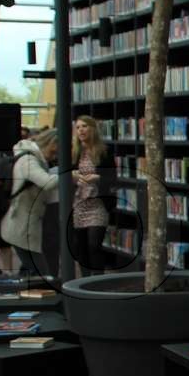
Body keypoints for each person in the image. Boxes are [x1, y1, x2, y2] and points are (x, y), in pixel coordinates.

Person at [2, 129, 59, 278]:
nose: (54, 156)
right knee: (39, 272)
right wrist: (69, 176)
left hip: (27, 225)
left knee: (31, 269)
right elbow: (46, 182)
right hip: (21, 226)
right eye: (53, 152)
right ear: (49, 144)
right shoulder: (28, 161)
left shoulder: (36, 159)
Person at [70, 115, 113, 276]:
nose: (81, 130)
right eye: (78, 127)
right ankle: (85, 281)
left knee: (94, 245)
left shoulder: (104, 151)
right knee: (80, 247)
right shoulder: (74, 152)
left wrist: (98, 177)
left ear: (92, 129)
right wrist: (72, 175)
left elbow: (113, 177)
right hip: (78, 203)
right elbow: (64, 174)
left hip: (98, 203)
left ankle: (97, 283)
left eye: (84, 126)